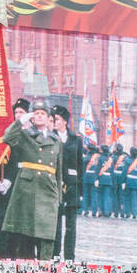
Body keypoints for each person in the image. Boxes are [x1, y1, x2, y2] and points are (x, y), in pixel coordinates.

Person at [1, 102, 62, 259]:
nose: (39, 115)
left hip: (48, 189)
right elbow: (7, 137)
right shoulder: (24, 134)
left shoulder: (56, 140)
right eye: (36, 113)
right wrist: (20, 121)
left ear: (49, 118)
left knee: (47, 234)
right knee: (26, 235)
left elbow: (58, 170)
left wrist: (59, 197)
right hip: (27, 189)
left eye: (43, 113)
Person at [51, 106, 83, 261]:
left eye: (56, 119)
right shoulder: (50, 136)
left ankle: (70, 257)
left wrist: (80, 191)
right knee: (55, 225)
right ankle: (55, 255)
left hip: (71, 187)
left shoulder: (76, 139)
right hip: (54, 186)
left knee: (71, 227)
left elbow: (80, 165)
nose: (54, 122)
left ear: (64, 120)